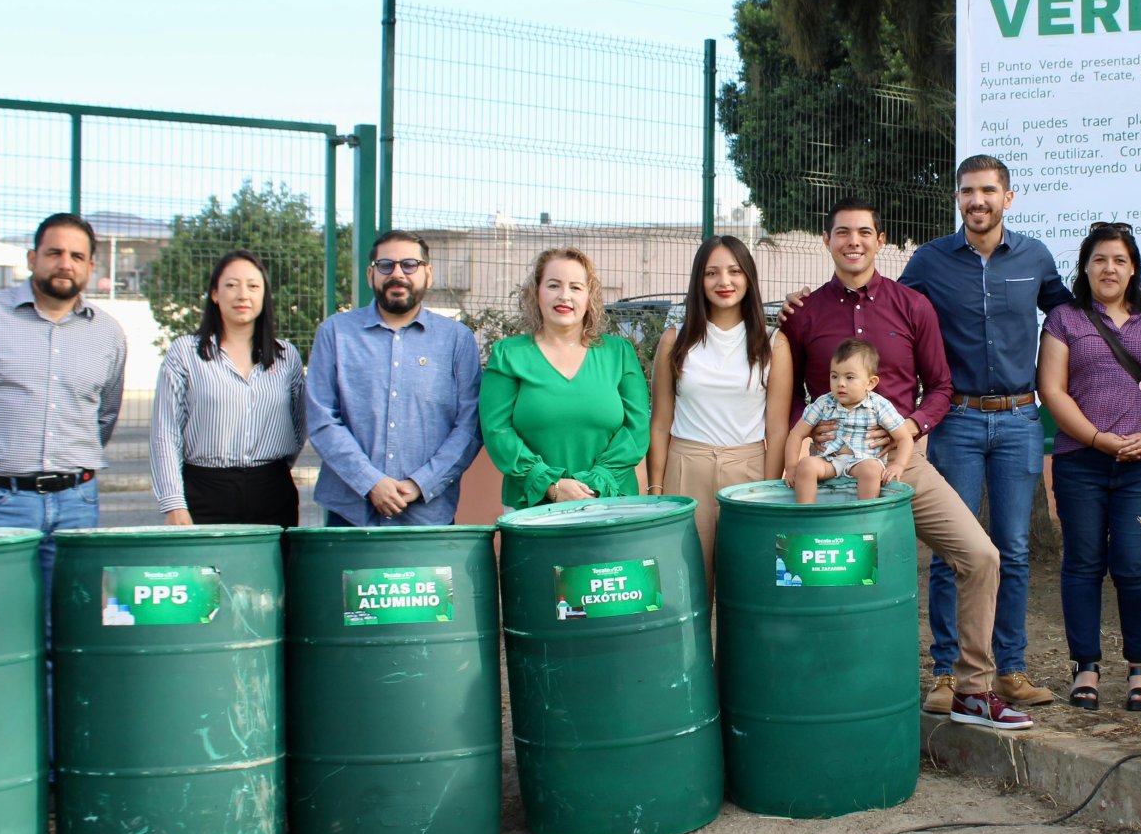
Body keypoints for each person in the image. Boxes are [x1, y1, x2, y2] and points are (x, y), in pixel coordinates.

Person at [779, 197, 1030, 729]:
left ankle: (972, 689)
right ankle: (814, 688)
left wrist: (909, 429)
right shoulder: (803, 314)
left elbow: (940, 387)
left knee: (981, 556)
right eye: (842, 232)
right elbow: (787, 397)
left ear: (881, 240)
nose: (853, 242)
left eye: (863, 232)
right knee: (821, 577)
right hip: (826, 470)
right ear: (826, 241)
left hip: (899, 465)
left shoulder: (913, 306)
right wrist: (806, 435)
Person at [897, 156, 1070, 713]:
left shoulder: (1035, 257)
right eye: (968, 191)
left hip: (1020, 419)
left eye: (989, 191)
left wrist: (1140, 312)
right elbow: (890, 314)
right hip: (958, 421)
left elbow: (1074, 317)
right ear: (957, 198)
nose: (978, 200)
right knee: (953, 551)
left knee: (1013, 550)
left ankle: (1010, 669)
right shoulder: (929, 261)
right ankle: (947, 674)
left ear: (1007, 198)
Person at [1037, 223, 1141, 711]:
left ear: (1133, 268)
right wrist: (1097, 438)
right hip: (1081, 461)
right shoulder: (1064, 319)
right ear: (1085, 267)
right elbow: (1052, 390)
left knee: (1136, 563)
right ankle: (1086, 666)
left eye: (1119, 260)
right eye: (1099, 259)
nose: (1109, 268)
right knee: (1082, 563)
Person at [0, 212, 126, 586]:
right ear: (33, 258)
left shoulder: (108, 334)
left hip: (77, 505)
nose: (65, 264)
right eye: (54, 253)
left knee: (70, 613)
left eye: (77, 256)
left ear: (90, 267)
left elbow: (105, 415)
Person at [306, 231, 483, 526]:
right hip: (350, 515)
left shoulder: (457, 340)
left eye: (410, 265)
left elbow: (470, 425)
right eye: (386, 265)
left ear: (428, 274)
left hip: (429, 516)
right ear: (371, 275)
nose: (397, 274)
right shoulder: (335, 333)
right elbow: (322, 419)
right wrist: (370, 482)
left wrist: (421, 483)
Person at [647, 235, 792, 585]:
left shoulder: (773, 343)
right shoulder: (675, 340)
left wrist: (769, 491)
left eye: (734, 271)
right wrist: (656, 489)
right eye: (712, 273)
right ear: (699, 280)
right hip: (686, 469)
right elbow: (660, 422)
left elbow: (776, 430)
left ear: (749, 278)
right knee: (687, 583)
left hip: (748, 472)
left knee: (746, 584)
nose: (724, 281)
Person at [481, 247, 649, 510]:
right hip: (533, 508)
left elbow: (637, 429)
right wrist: (550, 485)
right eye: (553, 285)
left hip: (610, 503)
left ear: (589, 296)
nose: (564, 296)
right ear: (536, 292)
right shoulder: (508, 355)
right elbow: (497, 431)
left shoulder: (619, 353)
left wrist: (595, 482)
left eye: (575, 287)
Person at [149, 250, 308, 528]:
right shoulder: (185, 353)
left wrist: (268, 467)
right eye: (231, 285)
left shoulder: (286, 357)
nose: (242, 295)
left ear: (264, 295)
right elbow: (166, 432)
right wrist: (174, 503)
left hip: (272, 492)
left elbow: (299, 424)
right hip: (204, 493)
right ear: (214, 293)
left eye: (253, 286)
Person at [783, 338, 916, 503]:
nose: (840, 383)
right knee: (806, 465)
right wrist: (790, 467)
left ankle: (866, 515)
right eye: (834, 376)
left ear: (870, 383)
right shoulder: (824, 403)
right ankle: (806, 512)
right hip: (829, 461)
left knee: (872, 470)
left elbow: (904, 438)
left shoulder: (879, 405)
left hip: (862, 461)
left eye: (849, 377)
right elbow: (796, 434)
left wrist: (898, 465)